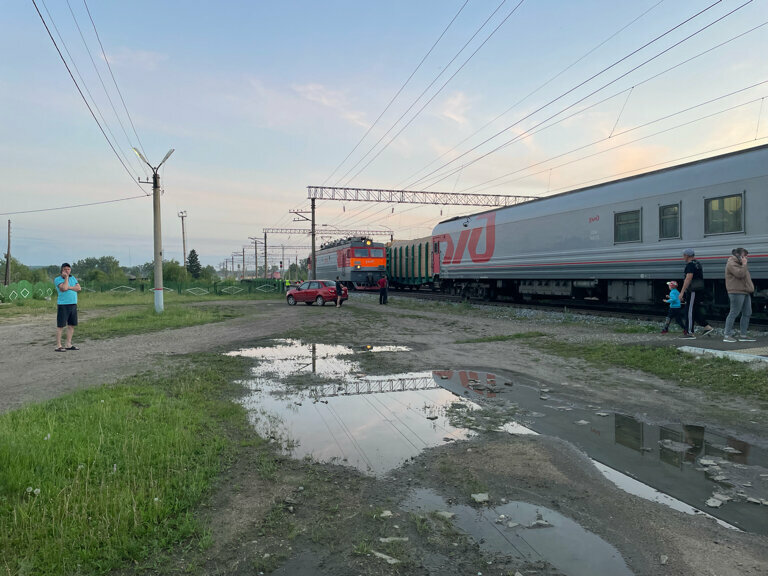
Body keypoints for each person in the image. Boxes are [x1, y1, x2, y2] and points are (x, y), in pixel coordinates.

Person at [679, 248, 714, 339]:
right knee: (695, 310)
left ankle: (689, 332)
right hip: (698, 290)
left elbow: (688, 278)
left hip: (693, 291)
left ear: (687, 255)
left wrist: (682, 292)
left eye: (684, 255)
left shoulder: (690, 265)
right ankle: (707, 327)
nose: (683, 257)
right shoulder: (697, 263)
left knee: (689, 311)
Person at [723, 247, 755, 343]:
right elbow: (740, 274)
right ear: (739, 255)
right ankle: (727, 334)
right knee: (734, 312)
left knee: (747, 312)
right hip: (736, 291)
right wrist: (744, 264)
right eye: (744, 255)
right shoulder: (731, 263)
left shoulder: (740, 264)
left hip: (745, 291)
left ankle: (743, 335)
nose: (746, 258)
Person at [54, 262, 81, 352]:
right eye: (65, 269)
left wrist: (69, 287)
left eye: (68, 269)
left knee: (71, 325)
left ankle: (68, 344)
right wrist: (66, 278)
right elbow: (64, 288)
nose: (67, 271)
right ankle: (58, 345)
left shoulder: (72, 278)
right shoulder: (58, 279)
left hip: (73, 304)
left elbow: (79, 288)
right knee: (61, 325)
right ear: (62, 270)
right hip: (63, 305)